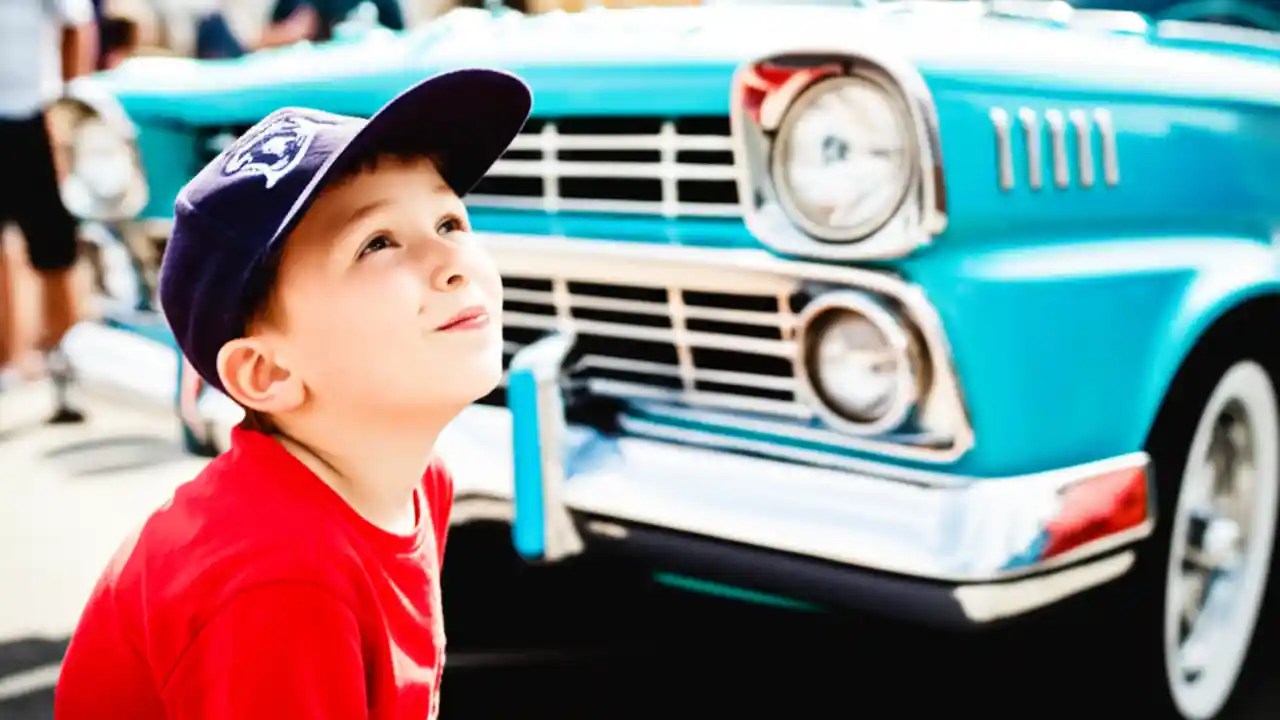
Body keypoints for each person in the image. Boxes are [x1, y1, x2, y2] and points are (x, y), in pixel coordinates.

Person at [54, 67, 531, 719]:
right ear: (267, 373)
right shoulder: (280, 580)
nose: (453, 264)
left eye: (449, 221)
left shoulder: (419, 482)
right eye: (379, 242)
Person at [0, 0, 98, 422]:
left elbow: (76, 25)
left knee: (54, 250)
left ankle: (65, 370)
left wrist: (67, 108)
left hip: (34, 119)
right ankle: (6, 369)